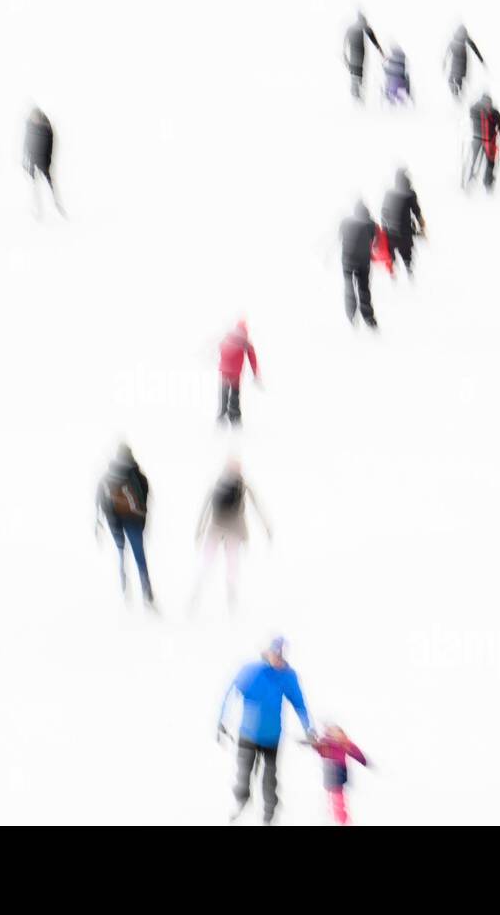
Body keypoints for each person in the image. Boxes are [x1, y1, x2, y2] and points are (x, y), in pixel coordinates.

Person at [218, 638, 314, 825]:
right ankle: (241, 800)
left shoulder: (288, 676)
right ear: (268, 652)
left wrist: (309, 728)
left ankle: (269, 812)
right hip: (247, 734)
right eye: (275, 654)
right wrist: (221, 721)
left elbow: (300, 704)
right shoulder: (251, 671)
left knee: (269, 778)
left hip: (271, 737)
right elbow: (230, 693)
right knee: (243, 773)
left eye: (281, 655)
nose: (278, 659)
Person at [191, 460, 271, 611]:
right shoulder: (243, 485)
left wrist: (199, 529)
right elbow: (257, 506)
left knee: (207, 562)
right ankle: (231, 600)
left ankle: (197, 592)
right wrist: (266, 527)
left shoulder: (218, 484)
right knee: (232, 566)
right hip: (234, 530)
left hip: (215, 529)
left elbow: (206, 507)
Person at [95, 444, 154, 608]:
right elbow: (145, 493)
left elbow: (99, 496)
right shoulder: (135, 472)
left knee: (121, 552)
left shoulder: (108, 474)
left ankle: (123, 584)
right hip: (134, 520)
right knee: (139, 556)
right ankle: (147, 592)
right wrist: (143, 520)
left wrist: (100, 518)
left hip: (115, 520)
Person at [309, 725, 369, 825]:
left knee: (338, 798)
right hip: (329, 772)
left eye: (336, 731)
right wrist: (313, 742)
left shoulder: (344, 742)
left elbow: (355, 752)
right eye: (330, 731)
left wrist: (363, 760)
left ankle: (342, 820)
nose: (334, 734)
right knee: (331, 797)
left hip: (339, 773)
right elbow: (319, 749)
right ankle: (332, 817)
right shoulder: (325, 742)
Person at [381, 168, 426, 279]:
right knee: (407, 256)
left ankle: (393, 276)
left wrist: (384, 231)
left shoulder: (389, 193)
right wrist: (422, 229)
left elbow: (384, 213)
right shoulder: (410, 193)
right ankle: (409, 274)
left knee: (392, 256)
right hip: (405, 234)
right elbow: (417, 212)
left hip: (390, 234)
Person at [340, 200, 379, 327]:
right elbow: (373, 241)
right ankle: (369, 319)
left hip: (347, 261)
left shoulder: (345, 222)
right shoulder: (371, 224)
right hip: (363, 262)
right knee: (364, 289)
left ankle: (351, 316)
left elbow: (341, 236)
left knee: (349, 288)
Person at [216, 320, 260, 426]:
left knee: (224, 392)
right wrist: (255, 373)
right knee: (235, 393)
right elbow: (252, 358)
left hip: (224, 370)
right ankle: (234, 415)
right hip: (235, 373)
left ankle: (222, 414)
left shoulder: (228, 336)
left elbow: (221, 347)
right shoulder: (245, 341)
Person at [24, 108, 64, 217]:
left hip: (44, 160)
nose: (34, 120)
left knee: (49, 183)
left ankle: (56, 204)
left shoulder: (46, 128)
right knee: (34, 185)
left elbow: (50, 145)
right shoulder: (29, 126)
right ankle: (37, 209)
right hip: (33, 159)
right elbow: (26, 144)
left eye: (36, 118)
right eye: (33, 118)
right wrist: (25, 160)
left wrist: (48, 160)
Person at [467, 93, 500, 192]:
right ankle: (488, 182)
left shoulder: (475, 109)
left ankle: (469, 178)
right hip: (490, 140)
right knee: (490, 162)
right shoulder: (494, 112)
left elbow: (470, 114)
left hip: (476, 139)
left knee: (474, 159)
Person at [343, 11, 384, 101]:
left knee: (355, 72)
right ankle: (356, 93)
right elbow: (373, 38)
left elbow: (345, 41)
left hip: (354, 55)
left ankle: (356, 92)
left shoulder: (352, 27)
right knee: (357, 72)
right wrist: (380, 51)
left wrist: (344, 54)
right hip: (358, 54)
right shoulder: (360, 26)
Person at [444, 25, 484, 99]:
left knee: (454, 79)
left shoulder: (456, 38)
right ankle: (457, 93)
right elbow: (474, 48)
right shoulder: (461, 38)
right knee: (456, 80)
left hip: (457, 63)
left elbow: (448, 49)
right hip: (460, 63)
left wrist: (444, 61)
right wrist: (481, 59)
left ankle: (456, 94)